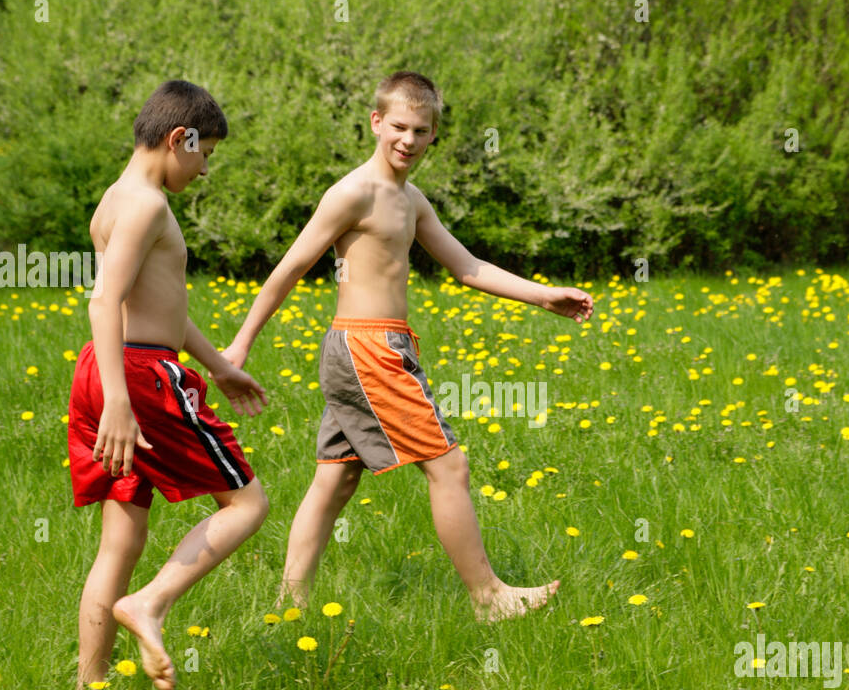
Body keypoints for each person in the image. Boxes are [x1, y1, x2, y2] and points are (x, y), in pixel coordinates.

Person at [223, 71, 592, 623]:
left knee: (336, 477)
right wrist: (240, 346)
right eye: (398, 126)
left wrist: (544, 297)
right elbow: (291, 267)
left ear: (433, 135)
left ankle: (290, 602)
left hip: (377, 349)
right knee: (450, 467)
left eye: (421, 131)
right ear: (376, 122)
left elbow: (467, 267)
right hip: (367, 351)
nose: (408, 140)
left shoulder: (410, 199)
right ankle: (489, 598)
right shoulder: (354, 192)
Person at [69, 80, 269, 690]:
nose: (205, 168)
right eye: (205, 152)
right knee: (249, 503)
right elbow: (104, 299)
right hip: (139, 378)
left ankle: (89, 688)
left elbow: (160, 308)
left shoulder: (116, 198)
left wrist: (219, 364)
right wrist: (124, 405)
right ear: (179, 139)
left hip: (104, 373)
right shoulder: (149, 205)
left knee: (121, 540)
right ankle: (149, 604)